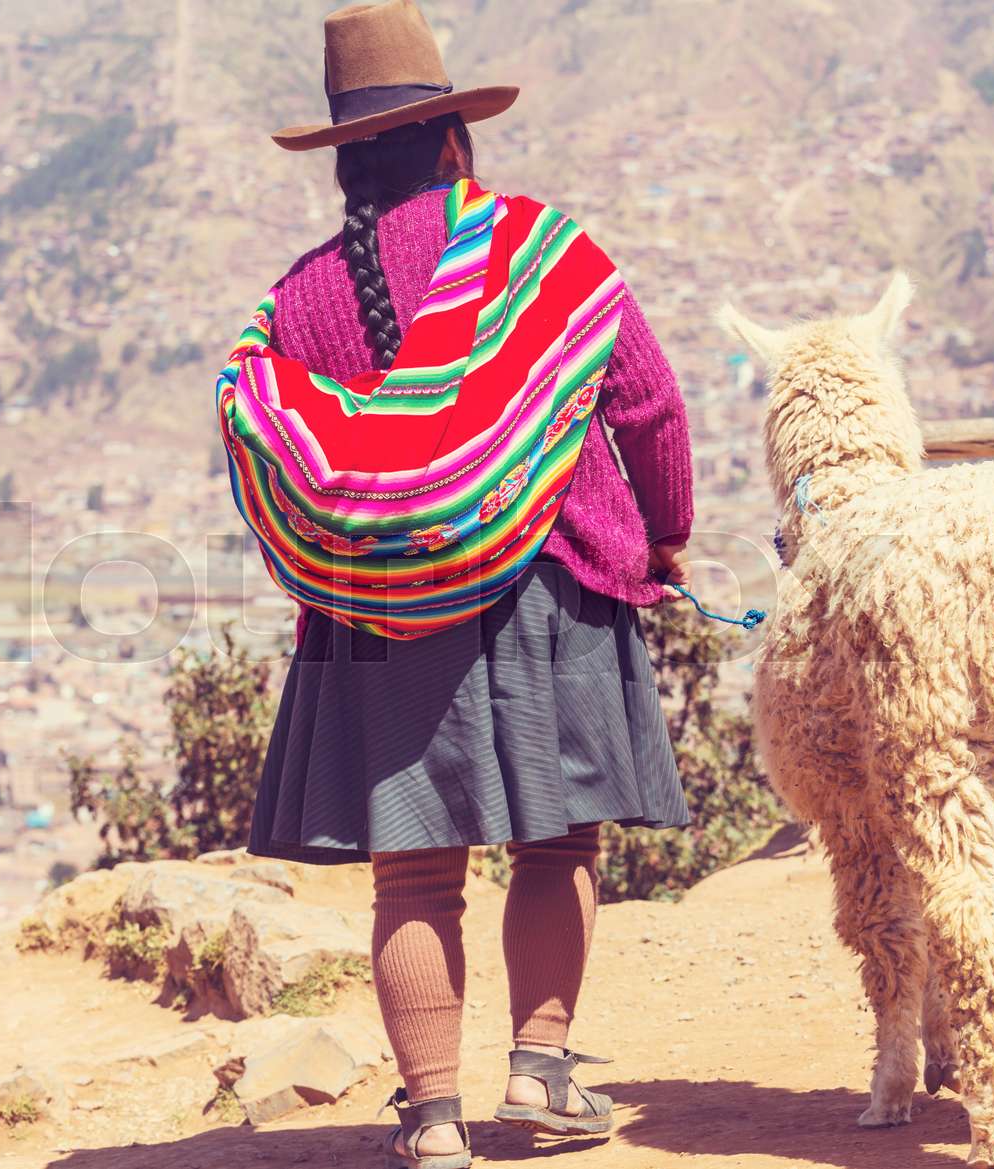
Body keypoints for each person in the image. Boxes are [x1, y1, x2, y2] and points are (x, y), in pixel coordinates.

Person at [232, 3, 695, 1165]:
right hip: (551, 583)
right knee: (555, 844)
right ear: (452, 138)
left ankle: (432, 1116)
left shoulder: (296, 299)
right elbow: (647, 406)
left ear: (345, 155)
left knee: (415, 870)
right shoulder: (545, 252)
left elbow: (277, 444)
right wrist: (667, 536)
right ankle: (538, 1075)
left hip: (374, 611)